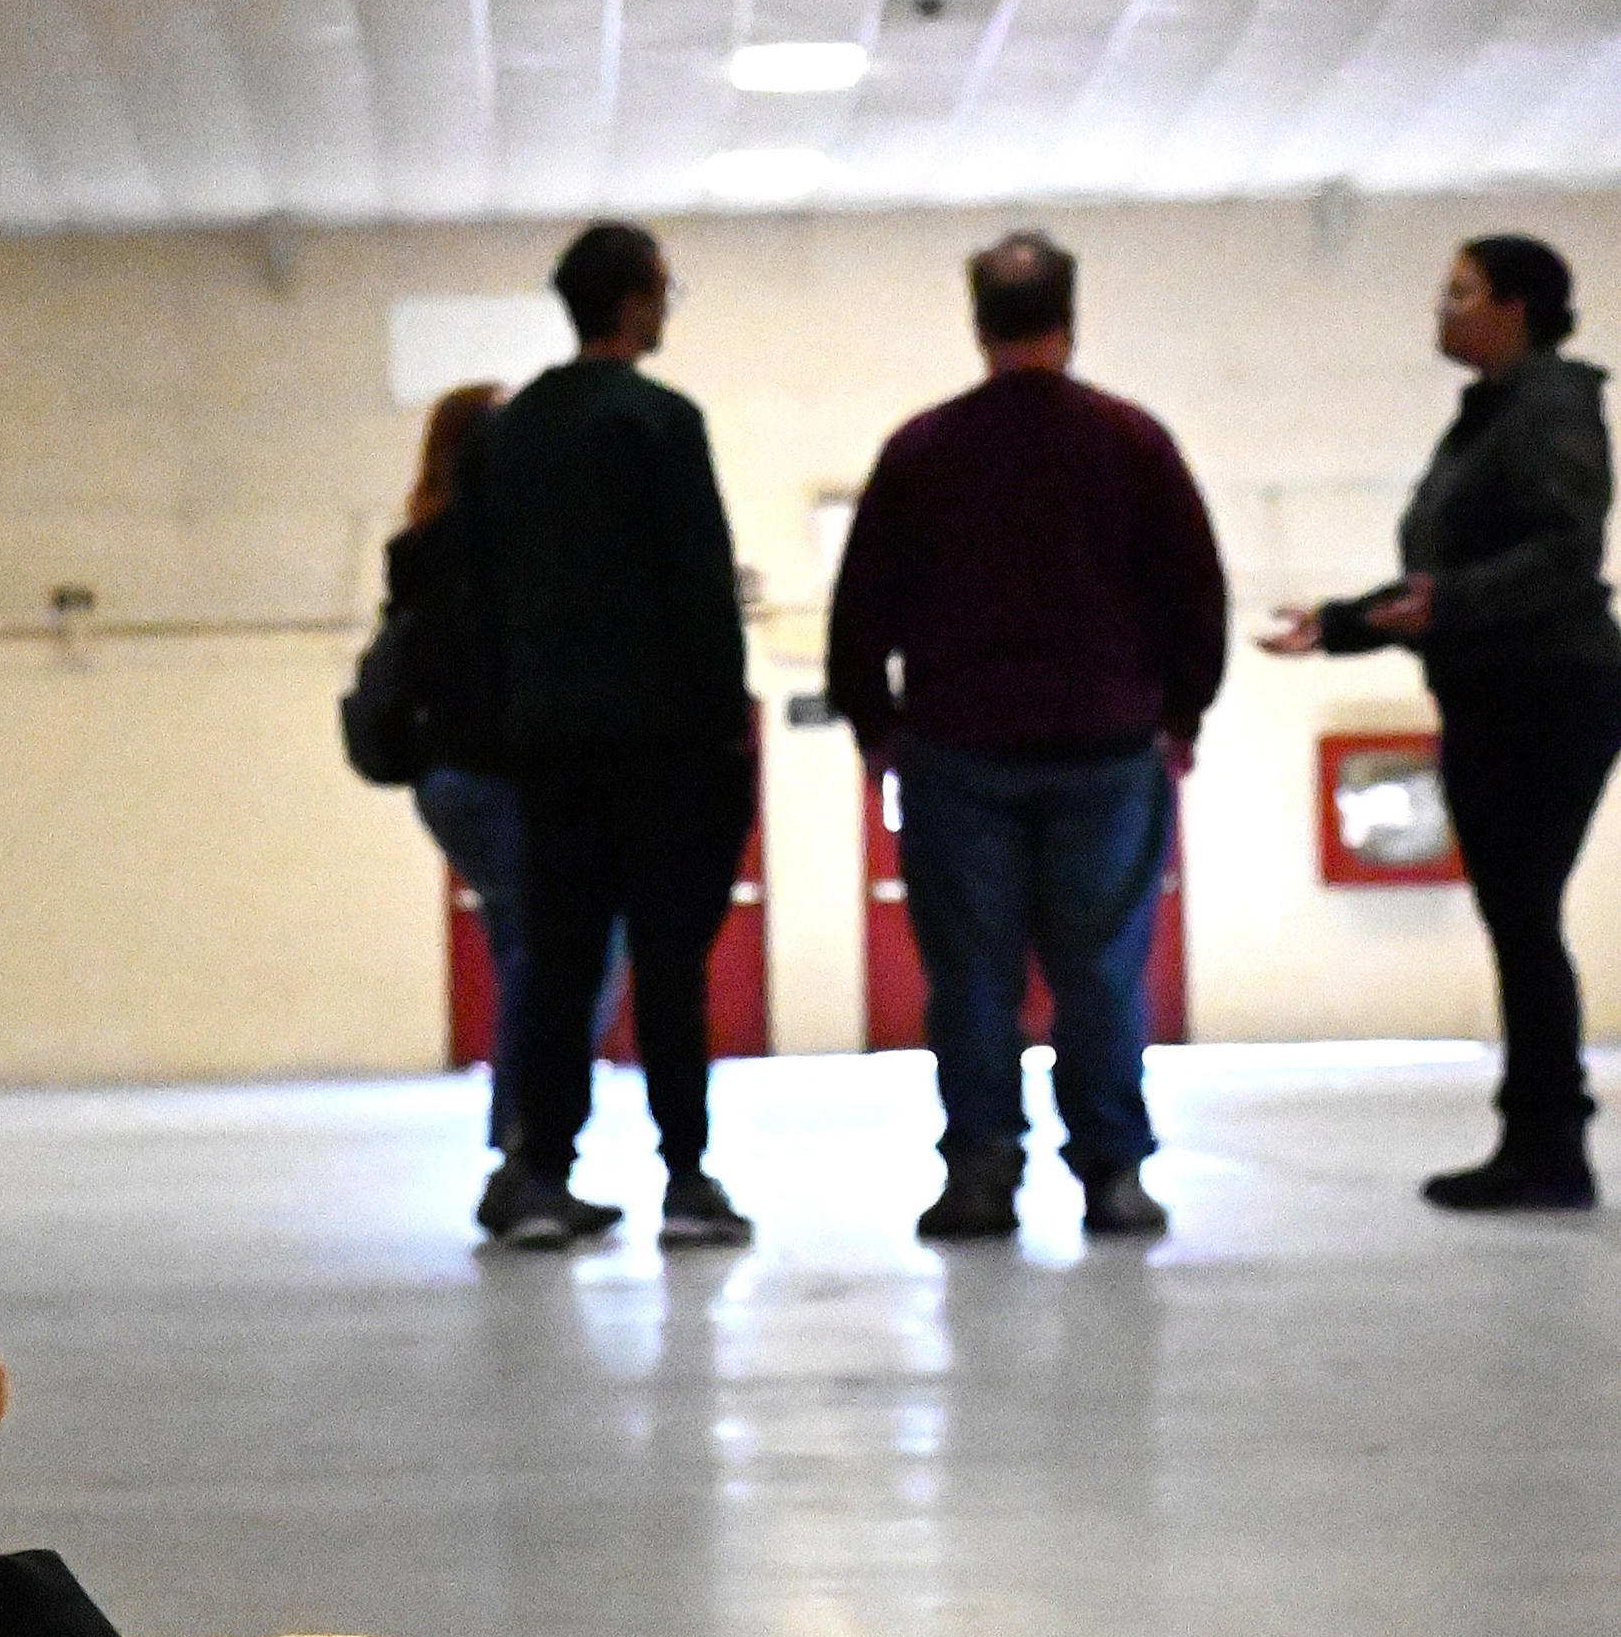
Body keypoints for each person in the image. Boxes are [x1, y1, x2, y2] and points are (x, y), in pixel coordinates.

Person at [828, 229, 1227, 1245]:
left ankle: (979, 1172)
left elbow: (860, 604)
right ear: (1071, 316)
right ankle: (1110, 1174)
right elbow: (1194, 590)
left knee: (970, 975)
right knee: (1098, 974)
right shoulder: (1131, 441)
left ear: (976, 325)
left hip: (958, 751)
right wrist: (1179, 714)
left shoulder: (921, 449)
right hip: (1103, 747)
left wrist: (879, 730)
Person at [1260, 235, 1621, 1213]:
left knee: (1523, 915)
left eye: (1459, 292)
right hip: (1503, 685)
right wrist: (1339, 624)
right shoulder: (1498, 412)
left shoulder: (1546, 408)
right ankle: (1542, 1135)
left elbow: (1562, 548)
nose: (1441, 308)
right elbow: (1440, 584)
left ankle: (1548, 1143)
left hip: (1542, 690)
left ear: (1514, 306)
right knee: (1519, 915)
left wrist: (1449, 607)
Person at [457, 220, 758, 1254]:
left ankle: (543, 1173)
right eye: (665, 289)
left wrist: (510, 721)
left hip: (549, 745)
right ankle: (686, 1177)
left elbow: (480, 596)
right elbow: (698, 583)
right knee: (670, 960)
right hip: (663, 742)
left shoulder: (510, 432)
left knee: (557, 960)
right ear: (632, 301)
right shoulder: (660, 422)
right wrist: (726, 721)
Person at [381, 384, 543, 1180]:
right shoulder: (504, 544)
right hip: (498, 773)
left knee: (521, 949)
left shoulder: (416, 543)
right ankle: (524, 1146)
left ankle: (522, 1137)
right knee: (549, 958)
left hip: (442, 779)